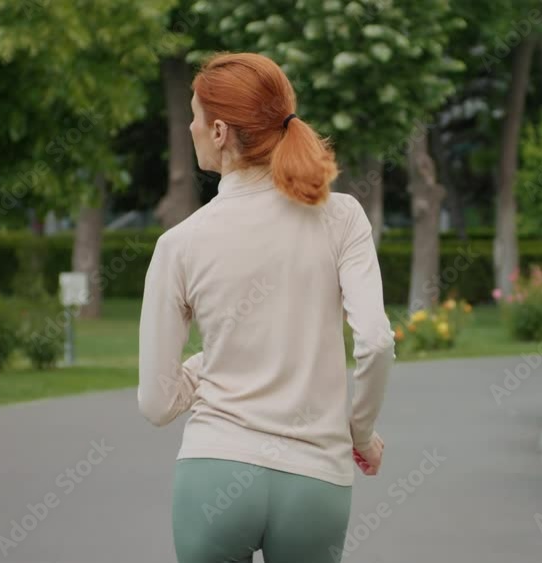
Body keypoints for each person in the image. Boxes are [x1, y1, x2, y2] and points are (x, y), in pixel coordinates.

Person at [137, 52, 395, 563]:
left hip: (213, 472)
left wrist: (213, 359)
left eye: (193, 115)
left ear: (218, 132)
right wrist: (360, 433)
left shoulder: (180, 243)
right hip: (315, 480)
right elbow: (377, 342)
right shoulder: (342, 217)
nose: (188, 126)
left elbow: (157, 402)